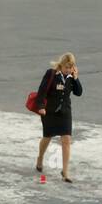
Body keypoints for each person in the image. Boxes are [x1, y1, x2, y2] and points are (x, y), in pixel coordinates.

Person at [34, 52, 83, 183]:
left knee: (66, 139)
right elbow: (41, 91)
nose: (68, 70)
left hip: (65, 112)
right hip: (49, 111)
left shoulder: (71, 77)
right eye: (66, 67)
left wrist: (76, 78)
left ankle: (65, 171)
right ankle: (40, 157)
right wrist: (40, 106)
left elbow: (78, 93)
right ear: (61, 65)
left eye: (70, 67)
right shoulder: (51, 74)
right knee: (47, 136)